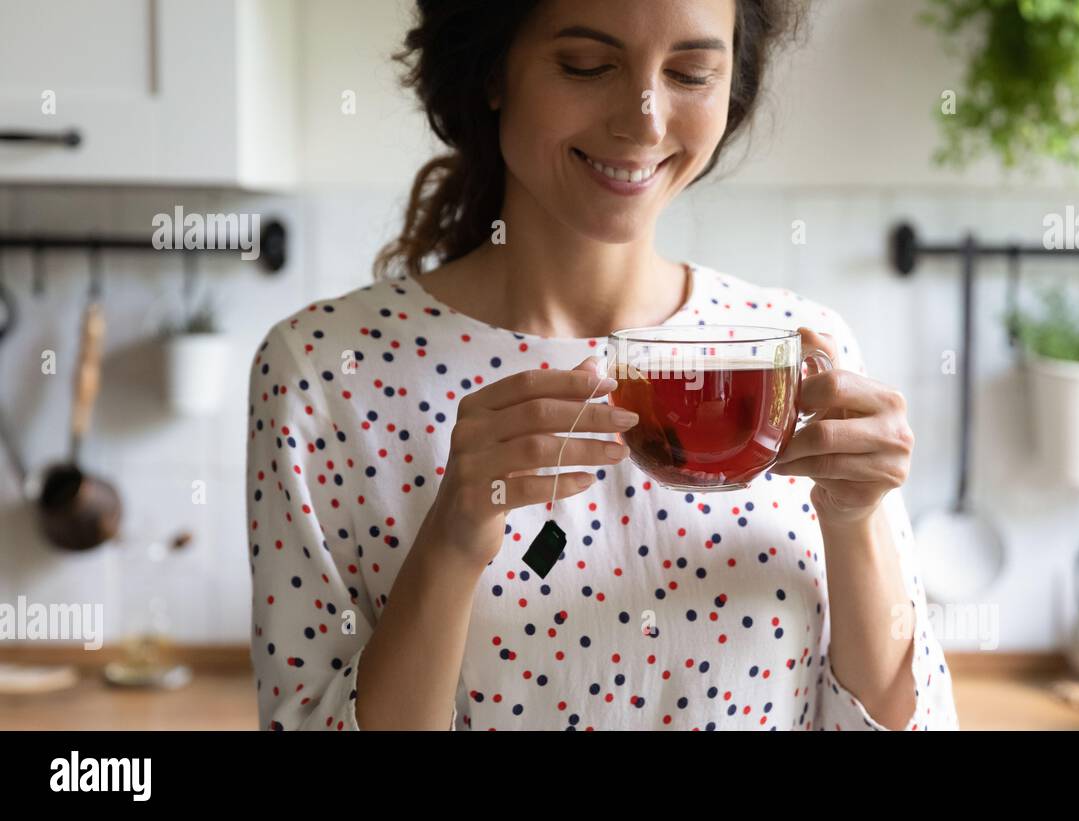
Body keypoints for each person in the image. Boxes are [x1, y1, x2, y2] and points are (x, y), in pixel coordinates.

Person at [246, 0, 958, 731]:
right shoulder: (324, 373)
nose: (645, 120)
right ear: (494, 70)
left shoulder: (796, 353)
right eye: (587, 65)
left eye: (690, 72)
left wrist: (855, 520)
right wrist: (452, 543)